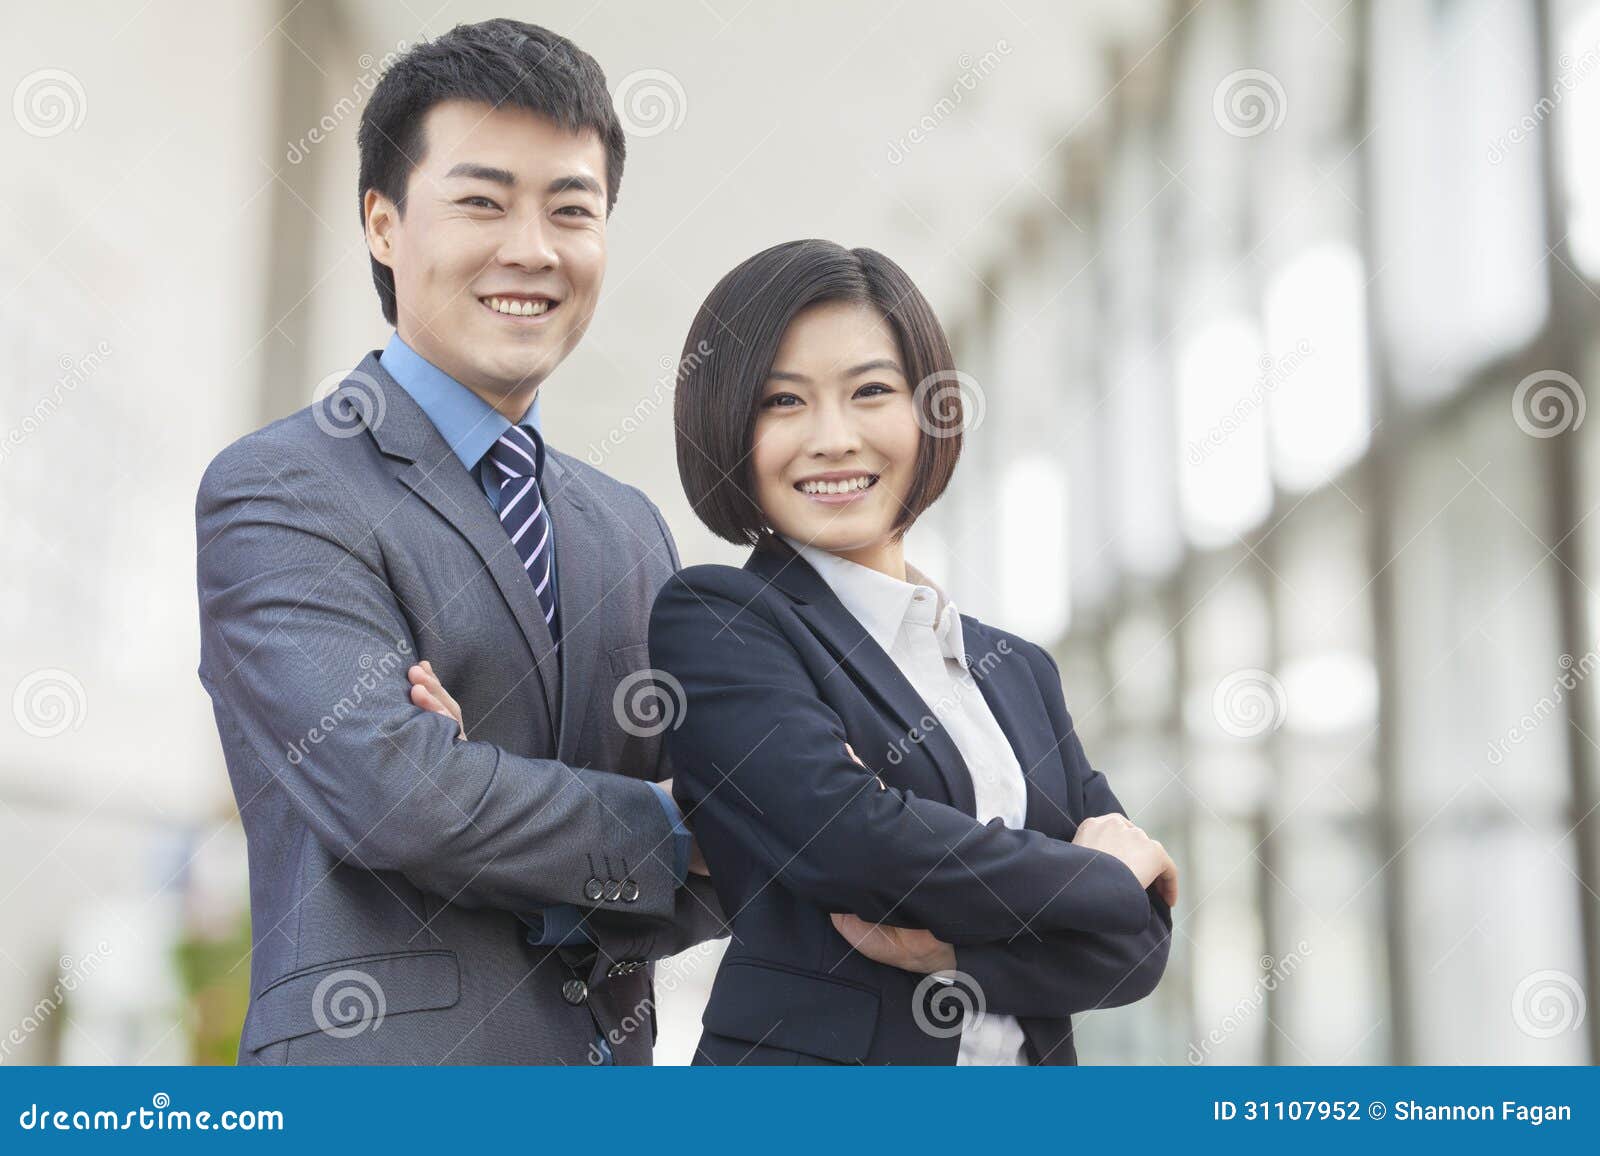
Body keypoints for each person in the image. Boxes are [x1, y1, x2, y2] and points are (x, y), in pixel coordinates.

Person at [194, 19, 724, 1065]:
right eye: (482, 200)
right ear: (383, 224)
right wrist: (662, 823)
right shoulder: (282, 488)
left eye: (572, 209)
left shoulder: (629, 527)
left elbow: (737, 832)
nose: (531, 248)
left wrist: (490, 784)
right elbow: (400, 797)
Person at [647, 239, 1176, 1064]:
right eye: (783, 403)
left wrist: (957, 956)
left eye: (871, 392)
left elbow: (1136, 948)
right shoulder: (724, 622)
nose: (833, 438)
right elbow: (853, 844)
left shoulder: (1018, 671)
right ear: (729, 428)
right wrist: (1095, 877)